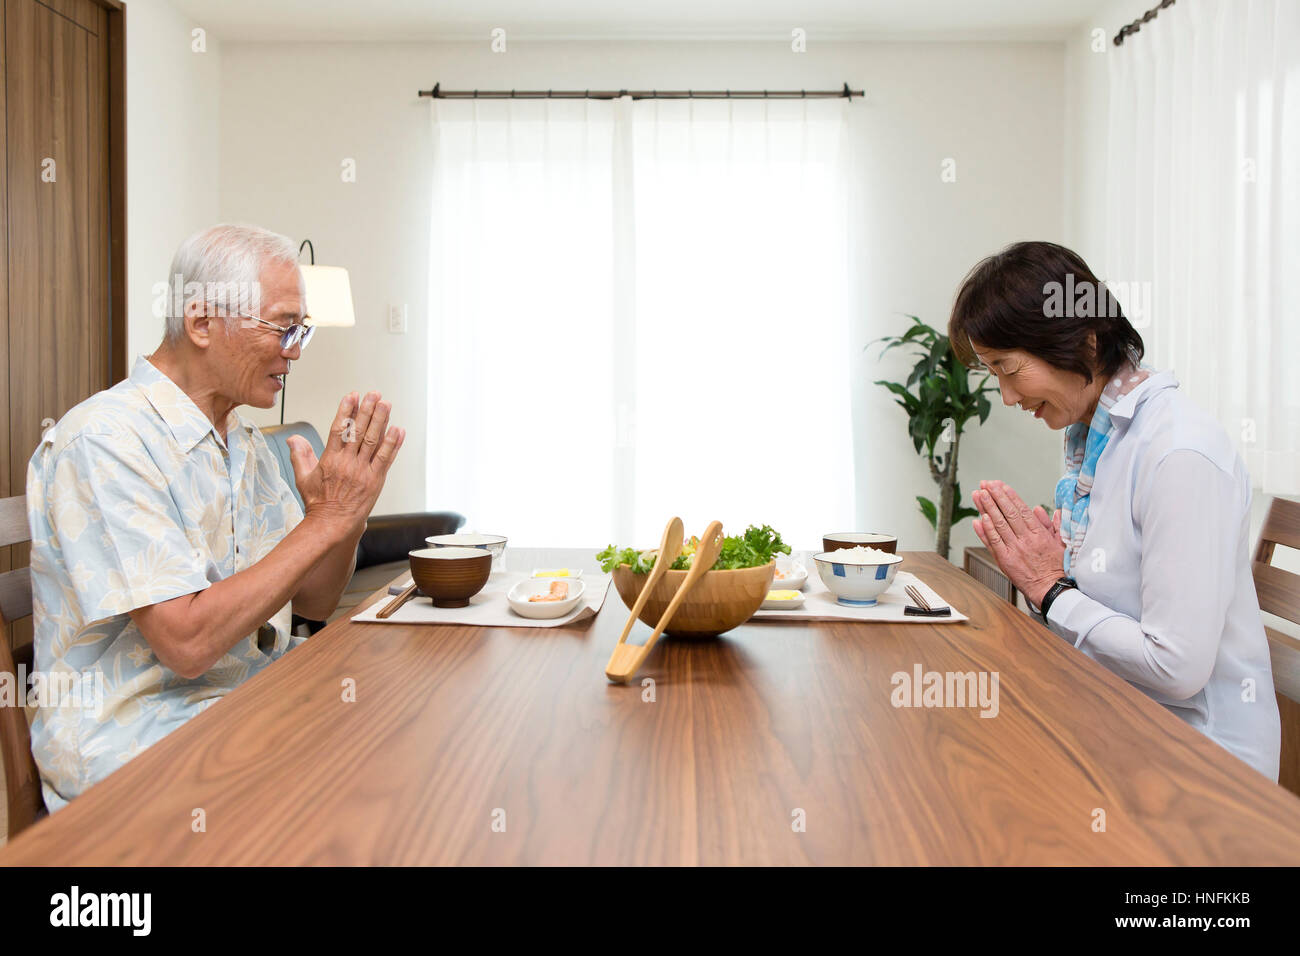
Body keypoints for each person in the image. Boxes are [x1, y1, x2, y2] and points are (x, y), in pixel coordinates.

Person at [26, 223, 405, 809]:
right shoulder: (103, 441)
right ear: (202, 322)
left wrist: (346, 516)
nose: (296, 349)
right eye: (283, 327)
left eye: (300, 330)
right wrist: (323, 522)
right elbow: (187, 642)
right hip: (136, 734)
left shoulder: (244, 443)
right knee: (364, 782)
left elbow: (314, 602)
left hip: (245, 697)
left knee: (402, 719)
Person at [948, 240, 1280, 780]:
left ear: (1084, 340)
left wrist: (1052, 589)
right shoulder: (1092, 439)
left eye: (1008, 369)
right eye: (993, 374)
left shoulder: (1179, 453)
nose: (1006, 397)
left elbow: (1175, 668)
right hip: (1115, 722)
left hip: (1202, 769)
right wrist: (1058, 572)